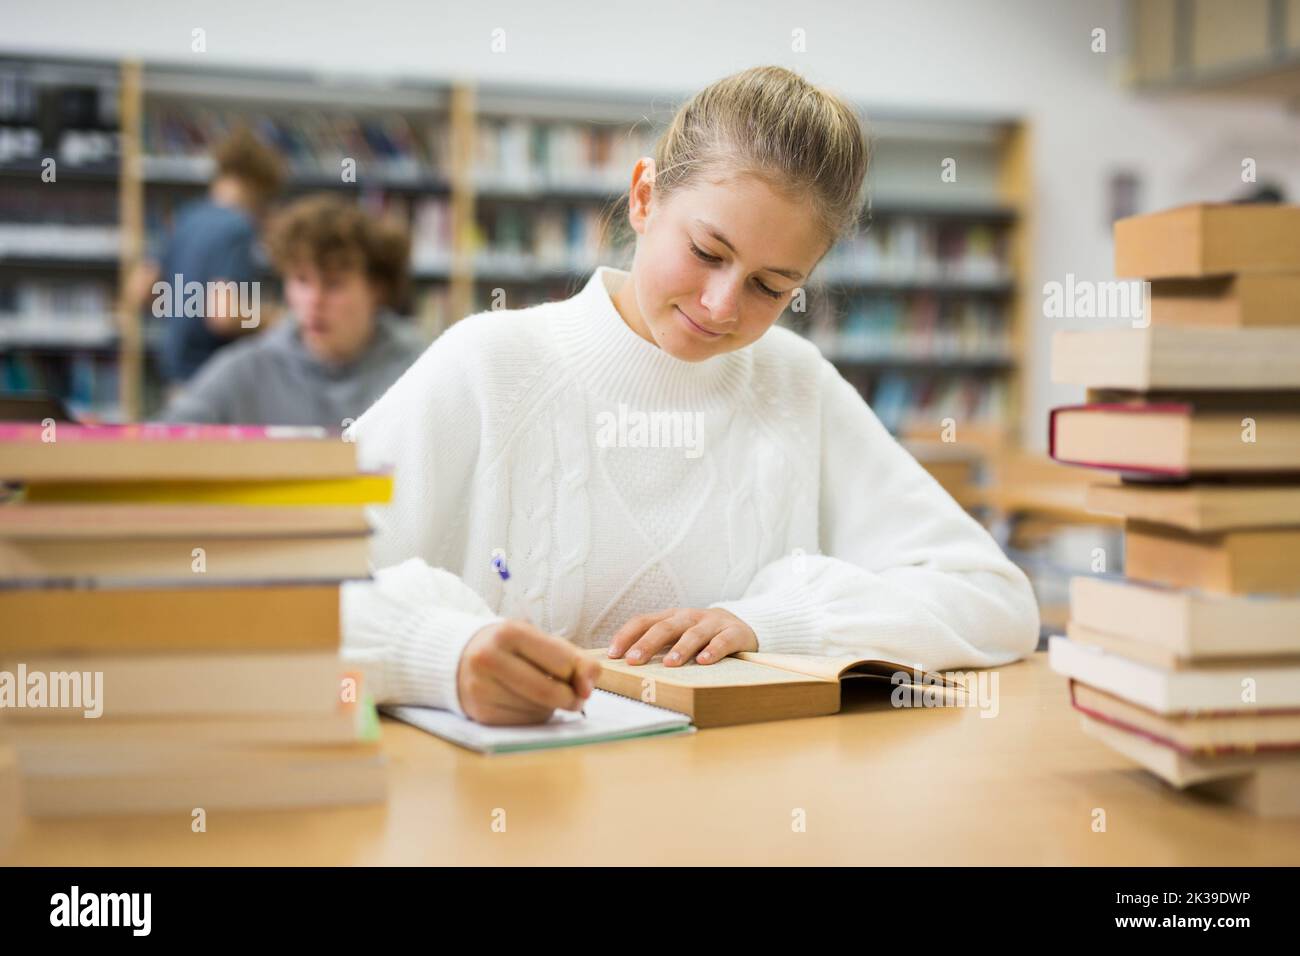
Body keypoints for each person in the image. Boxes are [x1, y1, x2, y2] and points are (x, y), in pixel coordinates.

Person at [341, 66, 1040, 726]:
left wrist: (778, 623)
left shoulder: (796, 383)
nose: (721, 304)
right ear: (644, 197)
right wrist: (439, 654)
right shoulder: (490, 364)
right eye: (708, 251)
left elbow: (996, 599)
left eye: (771, 287)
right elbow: (280, 586)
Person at [160, 195, 424, 427]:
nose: (314, 300)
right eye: (301, 280)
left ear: (377, 290)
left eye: (334, 284)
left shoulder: (421, 369)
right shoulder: (248, 369)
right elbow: (159, 442)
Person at [137, 126, 285, 387]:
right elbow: (223, 315)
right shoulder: (238, 228)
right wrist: (277, 318)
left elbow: (140, 289)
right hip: (214, 379)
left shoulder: (185, 218)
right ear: (258, 185)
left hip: (175, 372)